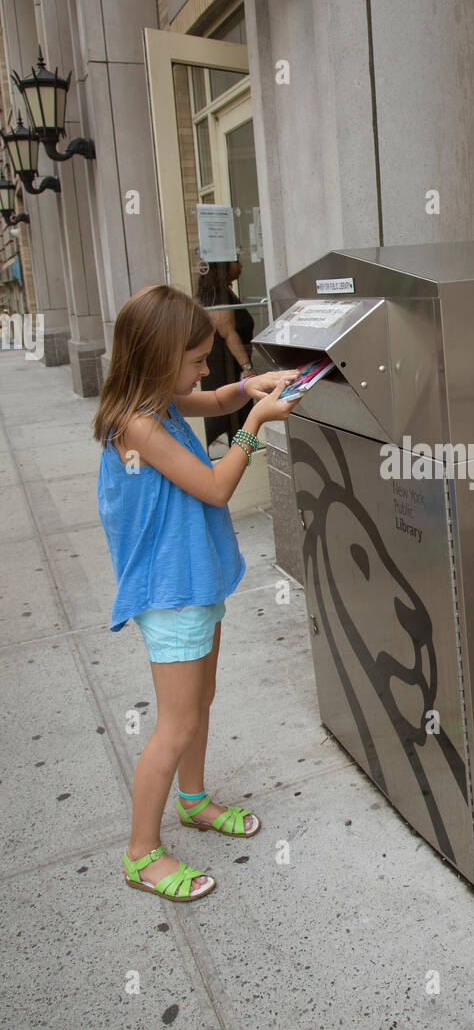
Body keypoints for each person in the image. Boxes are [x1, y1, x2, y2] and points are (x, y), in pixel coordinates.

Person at [92, 283, 302, 902]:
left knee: (201, 699)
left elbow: (209, 397)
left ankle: (193, 801)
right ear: (159, 359)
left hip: (195, 581)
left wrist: (245, 390)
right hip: (172, 593)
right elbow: (213, 487)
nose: (204, 369)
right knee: (175, 726)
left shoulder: (156, 400)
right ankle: (141, 854)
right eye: (195, 359)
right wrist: (255, 425)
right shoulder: (138, 424)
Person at [196, 259, 255, 457]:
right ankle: (236, 458)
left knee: (236, 418)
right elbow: (229, 333)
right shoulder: (217, 295)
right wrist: (247, 366)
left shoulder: (220, 292)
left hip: (228, 369)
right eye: (236, 261)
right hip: (225, 371)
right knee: (231, 420)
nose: (240, 265)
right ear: (221, 266)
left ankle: (240, 456)